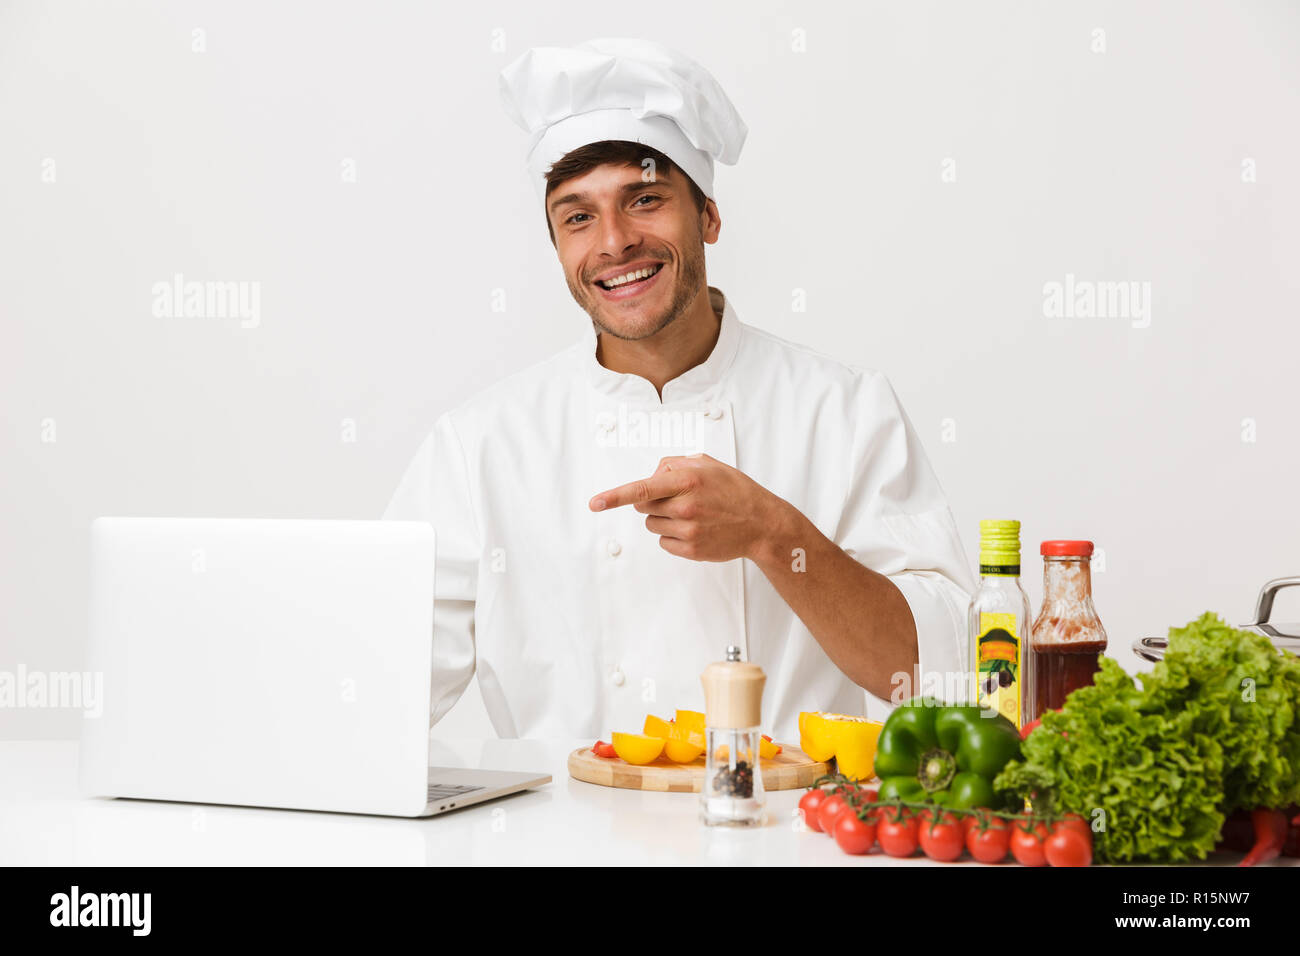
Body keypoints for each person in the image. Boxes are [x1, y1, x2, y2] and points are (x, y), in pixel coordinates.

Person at [384, 37, 975, 742]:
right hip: (563, 844)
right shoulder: (481, 445)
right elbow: (372, 682)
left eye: (644, 199)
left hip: (786, 842)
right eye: (578, 217)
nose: (613, 242)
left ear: (709, 217)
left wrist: (772, 531)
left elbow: (942, 680)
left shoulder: (844, 411)